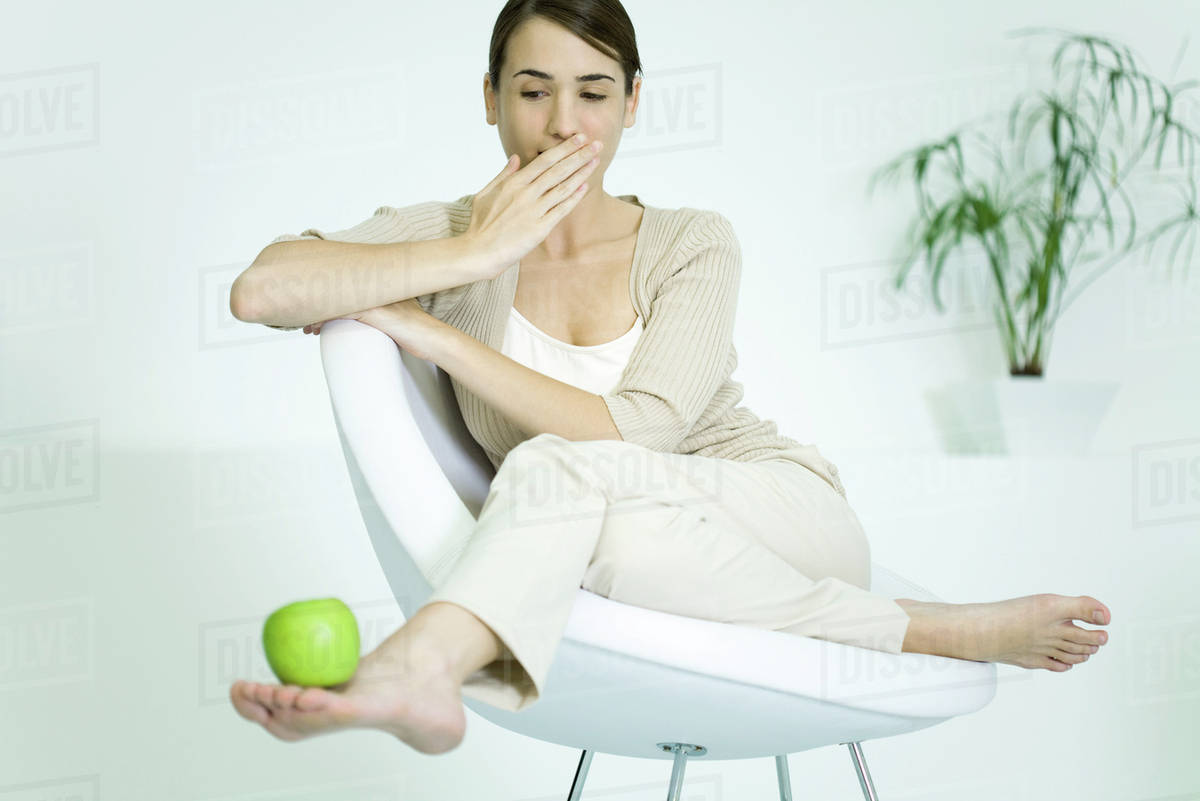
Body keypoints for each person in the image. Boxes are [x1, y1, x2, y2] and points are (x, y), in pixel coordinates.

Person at [227, 0, 1110, 752]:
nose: (564, 124)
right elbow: (262, 286)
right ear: (491, 99)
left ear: (633, 102)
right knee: (602, 550)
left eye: (595, 92)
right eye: (532, 91)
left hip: (775, 511)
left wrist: (439, 336)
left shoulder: (693, 239)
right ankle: (936, 626)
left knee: (546, 465)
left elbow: (633, 433)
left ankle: (421, 664)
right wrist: (476, 250)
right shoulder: (459, 232)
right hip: (638, 546)